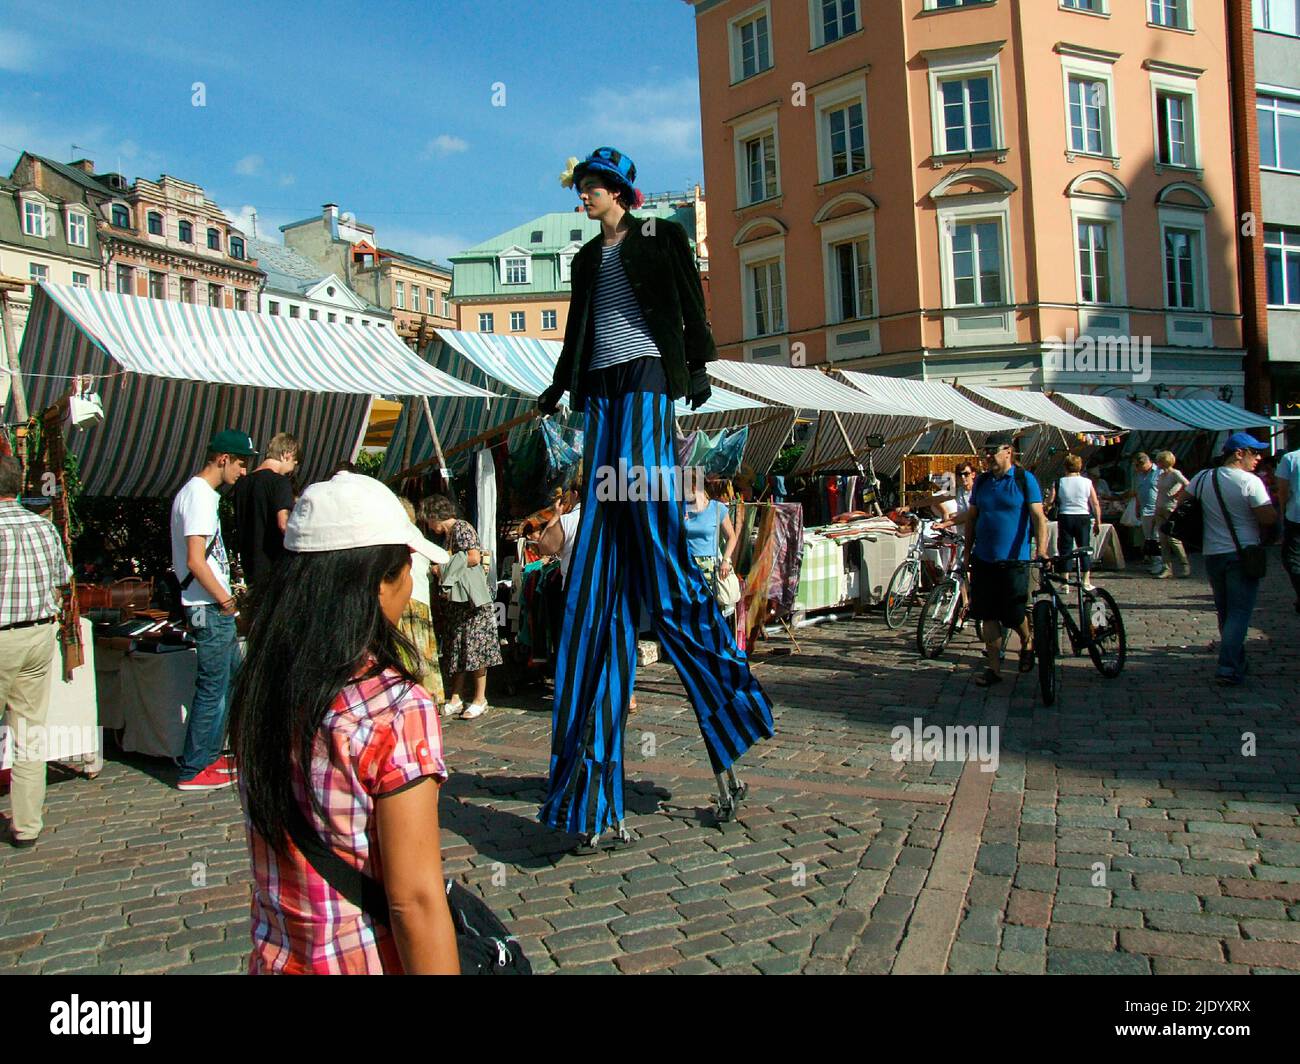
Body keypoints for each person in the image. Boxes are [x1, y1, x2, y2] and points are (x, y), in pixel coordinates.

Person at [535, 145, 773, 844]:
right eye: (581, 187)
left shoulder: (656, 234)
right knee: (596, 587)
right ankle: (587, 794)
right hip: (601, 395)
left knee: (653, 538)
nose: (585, 197)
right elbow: (578, 333)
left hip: (645, 383)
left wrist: (698, 367)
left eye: (594, 188)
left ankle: (732, 707)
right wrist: (556, 387)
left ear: (619, 191)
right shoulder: (584, 260)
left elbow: (685, 302)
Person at [229, 472, 458, 973]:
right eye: (407, 571)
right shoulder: (394, 706)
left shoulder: (260, 685)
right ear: (378, 581)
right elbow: (414, 901)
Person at [169, 429, 256, 791]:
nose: (243, 472)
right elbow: (195, 560)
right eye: (240, 463)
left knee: (231, 680)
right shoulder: (201, 497)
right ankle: (194, 767)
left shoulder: (200, 495)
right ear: (223, 459)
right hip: (207, 604)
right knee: (213, 688)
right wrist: (226, 600)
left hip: (208, 603)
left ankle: (208, 755)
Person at [0, 456, 71, 848]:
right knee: (29, 733)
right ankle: (27, 824)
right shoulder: (43, 528)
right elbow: (63, 579)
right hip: (37, 634)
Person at [1180, 433, 1277, 686]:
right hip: (1243, 552)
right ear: (1238, 453)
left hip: (1213, 553)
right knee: (1241, 612)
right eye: (1254, 453)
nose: (1258, 458)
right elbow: (1267, 517)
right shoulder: (1249, 482)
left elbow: (1183, 505)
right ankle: (1228, 665)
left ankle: (1237, 659)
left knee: (1226, 612)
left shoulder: (1202, 477)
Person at [964, 433, 1049, 688]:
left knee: (1014, 614)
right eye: (985, 451)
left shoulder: (1024, 480)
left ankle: (1027, 640)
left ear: (1008, 451)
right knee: (988, 615)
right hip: (984, 558)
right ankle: (994, 668)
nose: (988, 456)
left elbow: (1038, 518)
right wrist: (967, 552)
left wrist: (1041, 550)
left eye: (993, 451)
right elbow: (971, 518)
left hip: (1015, 559)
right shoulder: (982, 482)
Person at [419, 494, 501, 720]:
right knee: (459, 649)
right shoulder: (450, 535)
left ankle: (479, 698)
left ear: (436, 517)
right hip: (460, 604)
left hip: (472, 603)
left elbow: (472, 557)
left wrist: (442, 568)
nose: (429, 527)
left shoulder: (461, 528)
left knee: (476, 650)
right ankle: (456, 697)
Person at [233, 431, 300, 607]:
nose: (293, 467)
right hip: (274, 567)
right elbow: (284, 524)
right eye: (294, 461)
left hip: (250, 566)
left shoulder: (242, 483)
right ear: (287, 454)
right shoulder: (279, 482)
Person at [397, 497, 450, 705]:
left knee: (411, 654)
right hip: (419, 600)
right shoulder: (416, 534)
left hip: (409, 601)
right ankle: (427, 696)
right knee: (421, 653)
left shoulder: (403, 535)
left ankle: (416, 697)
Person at [1053, 454, 1102, 590]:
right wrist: (1098, 521)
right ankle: (1086, 580)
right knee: (1084, 547)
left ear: (1065, 467)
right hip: (1083, 516)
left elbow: (1051, 500)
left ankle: (1065, 581)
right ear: (1080, 467)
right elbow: (1095, 503)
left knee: (1065, 549)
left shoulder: (1059, 482)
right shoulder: (1087, 482)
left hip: (1065, 516)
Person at [683, 469, 738, 590]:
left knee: (713, 606)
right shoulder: (682, 509)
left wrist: (726, 560)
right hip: (687, 566)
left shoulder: (717, 508)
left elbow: (731, 537)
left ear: (695, 486)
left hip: (711, 568)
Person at [1153, 450, 1190, 579]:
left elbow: (1187, 484)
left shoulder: (1175, 473)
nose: (1156, 463)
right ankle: (1167, 568)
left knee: (1173, 539)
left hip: (1170, 508)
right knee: (1162, 539)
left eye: (1159, 461)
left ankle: (1185, 565)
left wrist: (1178, 496)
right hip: (1159, 508)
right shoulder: (1161, 475)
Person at [1128, 452, 1164, 576]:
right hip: (1144, 510)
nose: (1136, 469)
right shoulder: (1139, 476)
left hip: (1156, 509)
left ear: (1144, 463)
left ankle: (1160, 564)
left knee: (1156, 537)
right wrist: (1137, 507)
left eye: (1137, 466)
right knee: (1148, 538)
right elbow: (1138, 492)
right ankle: (1155, 563)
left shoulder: (1159, 472)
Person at [1276, 439, 1300, 614]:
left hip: (1296, 516)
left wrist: (1282, 511)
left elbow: (1282, 490)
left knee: (1292, 558)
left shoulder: (1291, 458)